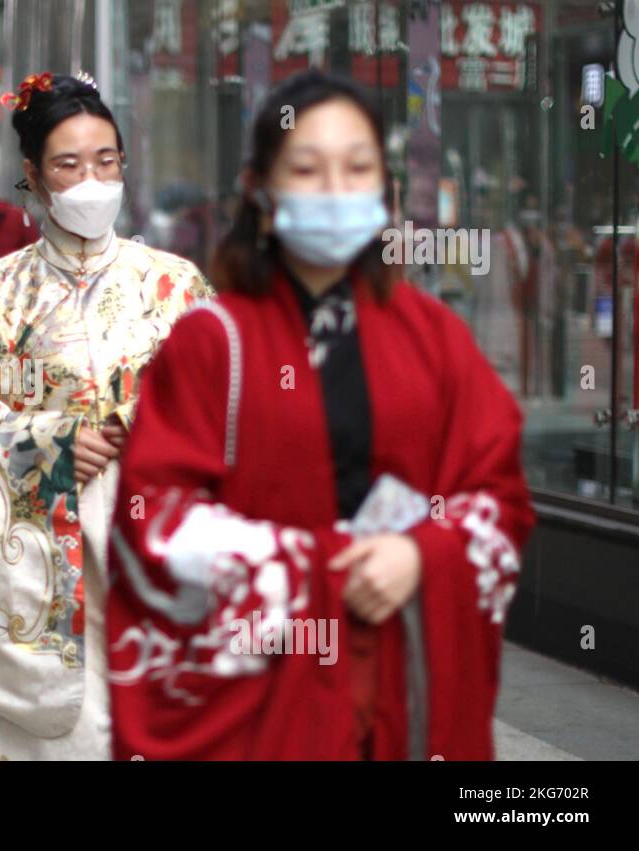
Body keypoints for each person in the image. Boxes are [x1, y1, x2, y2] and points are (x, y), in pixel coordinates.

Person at [106, 70, 534, 760]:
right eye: (308, 168)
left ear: (384, 192)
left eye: (358, 167)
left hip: (401, 696)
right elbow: (151, 519)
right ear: (263, 192)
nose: (337, 189)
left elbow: (499, 494)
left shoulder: (436, 337)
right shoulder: (213, 341)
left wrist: (422, 553)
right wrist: (324, 571)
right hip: (267, 714)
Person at [0, 72, 212, 760]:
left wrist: (145, 427)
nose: (93, 180)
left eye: (107, 161)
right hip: (39, 554)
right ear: (34, 177)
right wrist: (40, 445)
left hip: (152, 544)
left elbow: (229, 405)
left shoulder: (176, 284)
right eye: (69, 165)